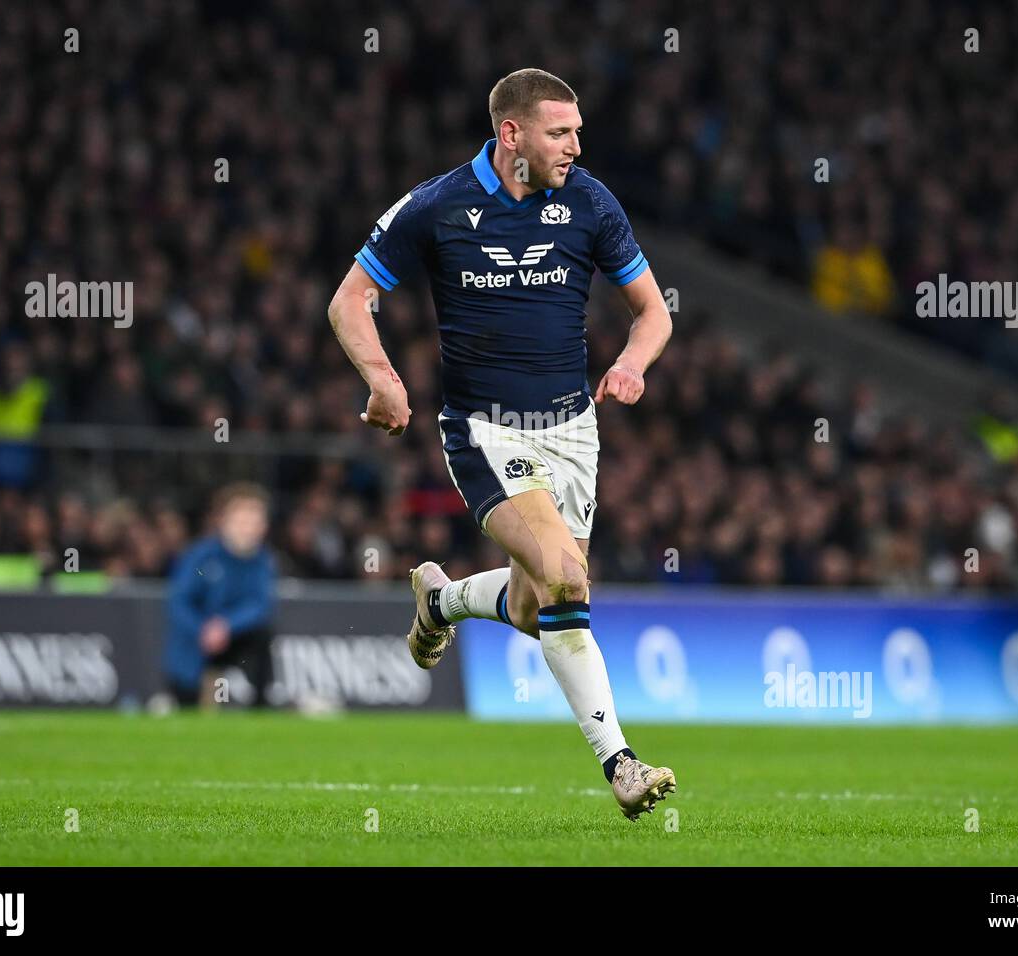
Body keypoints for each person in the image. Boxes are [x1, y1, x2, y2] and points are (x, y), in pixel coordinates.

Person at [329, 68, 676, 820]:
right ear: (510, 135)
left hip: (573, 431)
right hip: (485, 432)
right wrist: (385, 380)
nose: (576, 146)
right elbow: (350, 298)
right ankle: (622, 763)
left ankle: (442, 600)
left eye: (578, 130)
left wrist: (630, 363)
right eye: (561, 132)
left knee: (534, 606)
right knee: (563, 578)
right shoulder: (439, 206)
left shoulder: (590, 200)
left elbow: (652, 312)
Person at [165, 483, 276, 707]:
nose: (248, 528)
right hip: (197, 640)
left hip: (236, 637)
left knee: (263, 636)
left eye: (254, 521)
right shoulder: (200, 556)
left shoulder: (263, 561)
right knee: (186, 698)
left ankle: (260, 709)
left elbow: (260, 604)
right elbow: (179, 601)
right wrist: (203, 629)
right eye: (242, 520)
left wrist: (226, 625)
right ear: (224, 521)